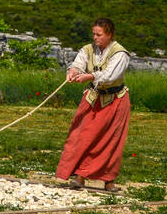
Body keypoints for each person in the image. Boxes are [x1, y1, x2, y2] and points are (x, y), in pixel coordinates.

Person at [55, 18, 130, 192]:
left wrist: (89, 76)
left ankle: (108, 179)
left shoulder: (120, 54)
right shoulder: (88, 50)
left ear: (109, 35)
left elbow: (110, 75)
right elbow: (78, 64)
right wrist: (73, 72)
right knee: (82, 135)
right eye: (94, 34)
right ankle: (80, 176)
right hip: (93, 98)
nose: (95, 37)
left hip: (115, 100)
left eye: (99, 34)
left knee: (110, 140)